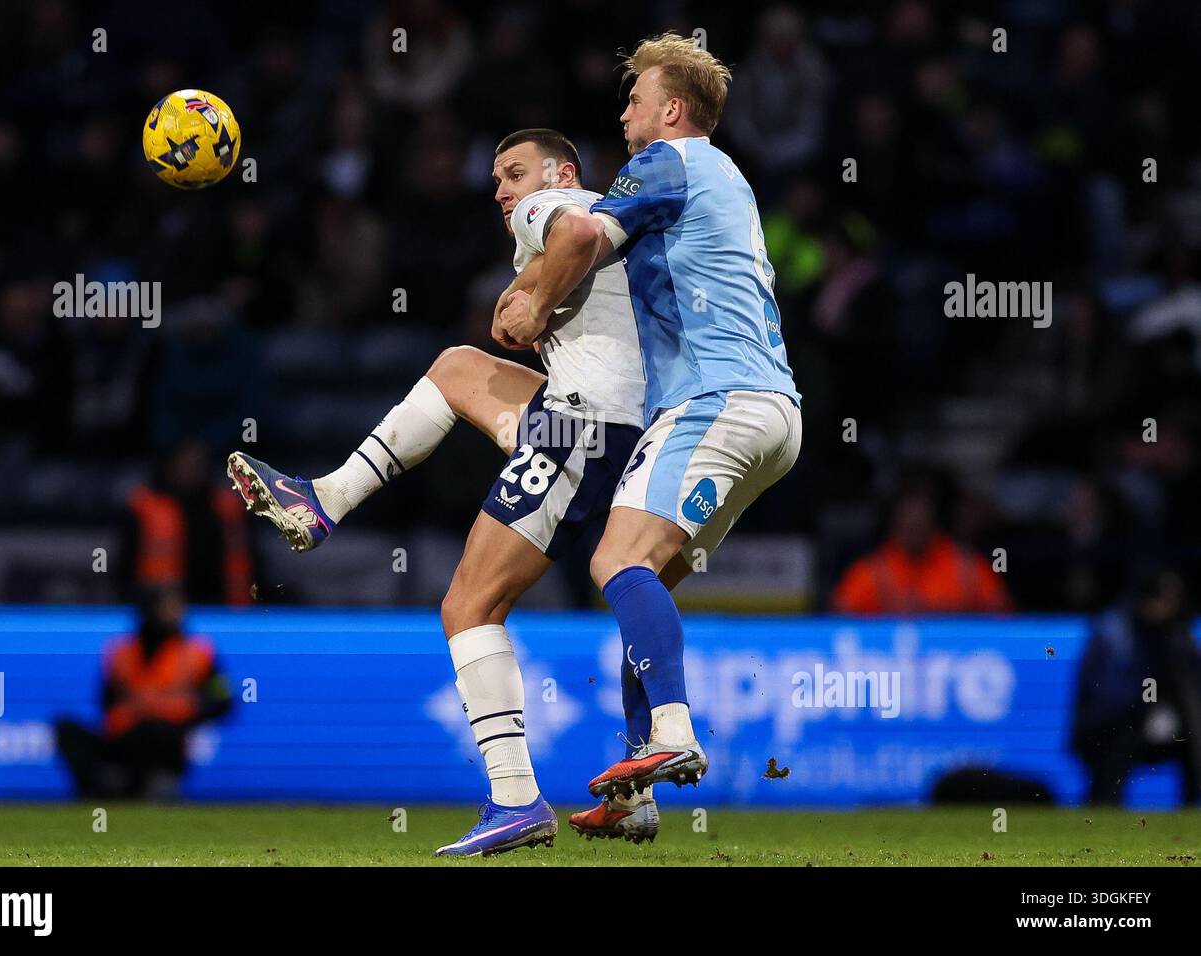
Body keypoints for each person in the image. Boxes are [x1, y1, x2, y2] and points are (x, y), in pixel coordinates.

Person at [227, 128, 670, 854]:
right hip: (638, 434)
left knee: (470, 604)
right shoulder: (628, 217)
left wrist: (527, 299)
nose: (502, 189)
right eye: (496, 177)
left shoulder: (556, 207)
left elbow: (573, 235)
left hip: (577, 426)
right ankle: (328, 499)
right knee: (461, 367)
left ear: (560, 172)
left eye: (515, 172)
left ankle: (515, 799)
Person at [496, 34, 803, 801]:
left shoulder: (667, 159)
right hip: (774, 416)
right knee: (647, 578)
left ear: (671, 109)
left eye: (636, 99)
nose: (625, 111)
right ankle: (633, 799)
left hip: (715, 401)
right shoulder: (728, 179)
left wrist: (532, 302)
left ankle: (672, 733)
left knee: (613, 562)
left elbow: (581, 233)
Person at [55, 587, 232, 799]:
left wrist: (188, 722)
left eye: (179, 607)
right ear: (150, 610)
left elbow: (224, 700)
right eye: (169, 607)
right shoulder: (122, 651)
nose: (176, 613)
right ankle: (106, 784)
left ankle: (154, 783)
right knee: (66, 728)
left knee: (156, 731)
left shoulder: (199, 652)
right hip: (125, 737)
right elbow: (106, 701)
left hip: (167, 738)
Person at [1072, 567, 1201, 805]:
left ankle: (1192, 807)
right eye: (1164, 600)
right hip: (1106, 729)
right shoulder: (1115, 631)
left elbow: (1191, 681)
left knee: (1192, 729)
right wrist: (1147, 710)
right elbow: (1108, 698)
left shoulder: (1176, 633)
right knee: (1122, 734)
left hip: (1156, 724)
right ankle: (1104, 804)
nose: (1168, 607)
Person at [831, 479, 1012, 614]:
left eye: (921, 521)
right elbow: (840, 619)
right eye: (908, 522)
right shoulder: (873, 570)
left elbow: (1002, 613)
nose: (915, 527)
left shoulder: (966, 567)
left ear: (934, 523)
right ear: (895, 524)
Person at [120, 439, 255, 605]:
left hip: (221, 609)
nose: (191, 471)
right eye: (185, 464)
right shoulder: (142, 507)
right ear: (170, 465)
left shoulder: (228, 509)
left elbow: (249, 564)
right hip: (160, 612)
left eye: (198, 465)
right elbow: (125, 567)